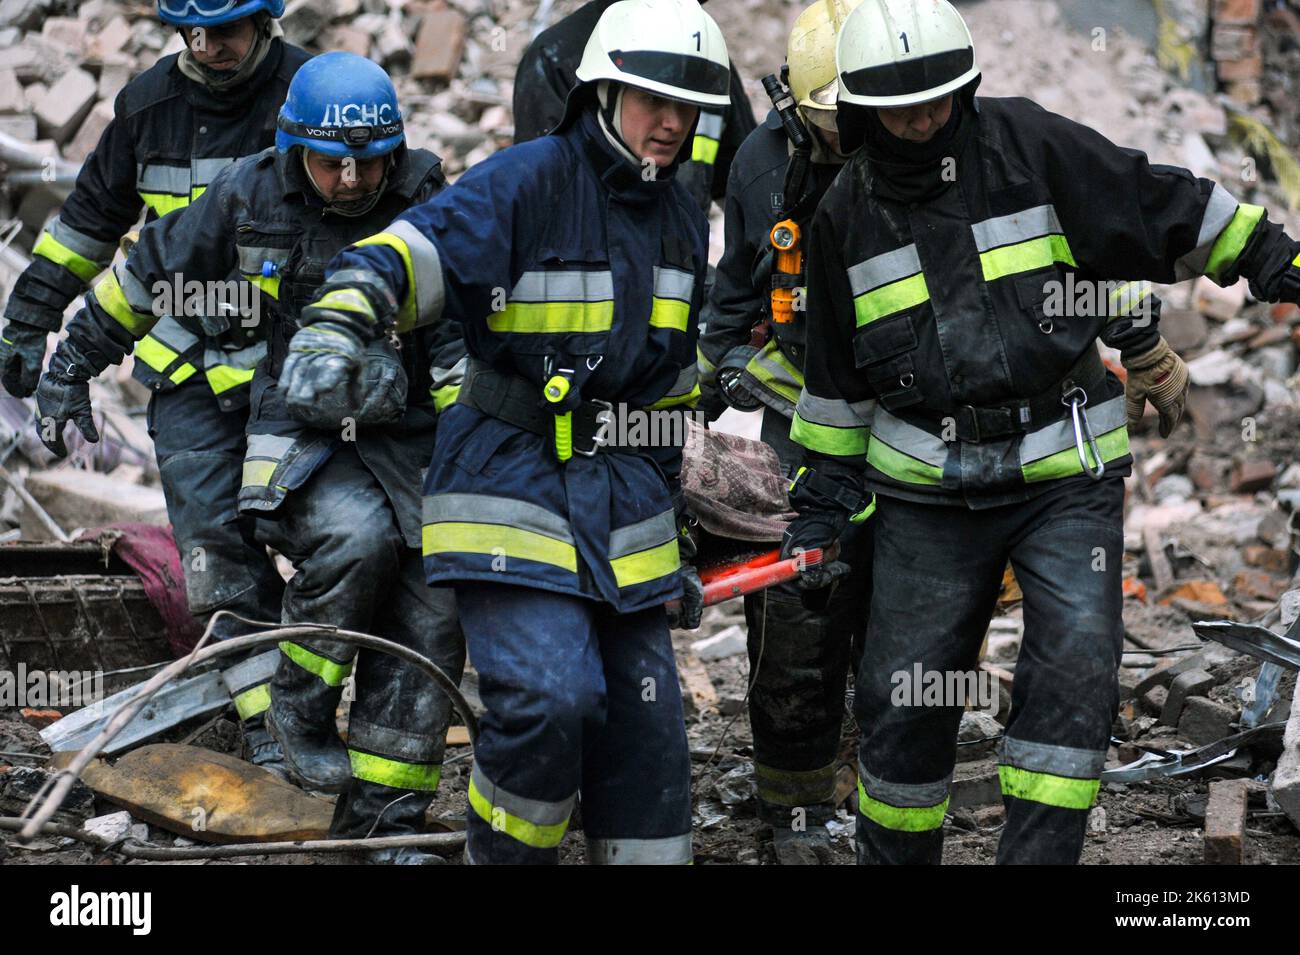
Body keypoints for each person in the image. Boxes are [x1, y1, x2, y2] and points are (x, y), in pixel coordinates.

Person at [779, 0, 1281, 864]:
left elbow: (1151, 202)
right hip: (926, 495)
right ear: (860, 114)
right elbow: (833, 386)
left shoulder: (1029, 147)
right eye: (899, 110)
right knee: (904, 700)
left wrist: (1270, 255)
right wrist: (822, 505)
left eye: (937, 100)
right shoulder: (841, 220)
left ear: (965, 87)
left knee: (1075, 671)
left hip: (1062, 474)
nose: (922, 121)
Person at [279, 0, 728, 864]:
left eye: (689, 109)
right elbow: (408, 253)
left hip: (626, 506)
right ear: (603, 91)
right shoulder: (529, 179)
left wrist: (678, 528)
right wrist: (340, 322)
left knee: (647, 742)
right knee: (551, 700)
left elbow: (671, 386)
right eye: (651, 100)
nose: (670, 123)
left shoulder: (680, 214)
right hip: (507, 487)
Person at [35, 53, 466, 863]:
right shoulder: (251, 193)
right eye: (330, 160)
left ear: (395, 148)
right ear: (294, 148)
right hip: (299, 436)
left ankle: (387, 824)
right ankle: (297, 706)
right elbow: (144, 274)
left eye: (368, 159)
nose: (349, 177)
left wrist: (468, 449)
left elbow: (458, 341)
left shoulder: (425, 198)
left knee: (436, 601)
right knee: (353, 539)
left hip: (409, 440)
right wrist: (69, 364)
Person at [3, 0, 309, 770]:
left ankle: (331, 705)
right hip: (191, 369)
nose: (206, 48)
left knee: (334, 544)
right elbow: (87, 224)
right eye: (191, 32)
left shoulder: (313, 92)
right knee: (216, 559)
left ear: (266, 21)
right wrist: (29, 320)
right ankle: (271, 732)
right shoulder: (148, 103)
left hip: (297, 368)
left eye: (226, 32)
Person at [697, 0, 872, 864]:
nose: (855, 133)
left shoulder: (926, 150)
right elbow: (735, 287)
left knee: (902, 613)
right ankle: (794, 809)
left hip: (906, 419)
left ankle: (882, 780)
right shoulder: (762, 161)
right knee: (800, 608)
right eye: (834, 121)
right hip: (800, 414)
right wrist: (725, 368)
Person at [512, 0, 756, 212]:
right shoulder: (558, 56)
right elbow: (538, 193)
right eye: (652, 98)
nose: (674, 123)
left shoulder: (705, 62)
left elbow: (746, 189)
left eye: (687, 104)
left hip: (676, 254)